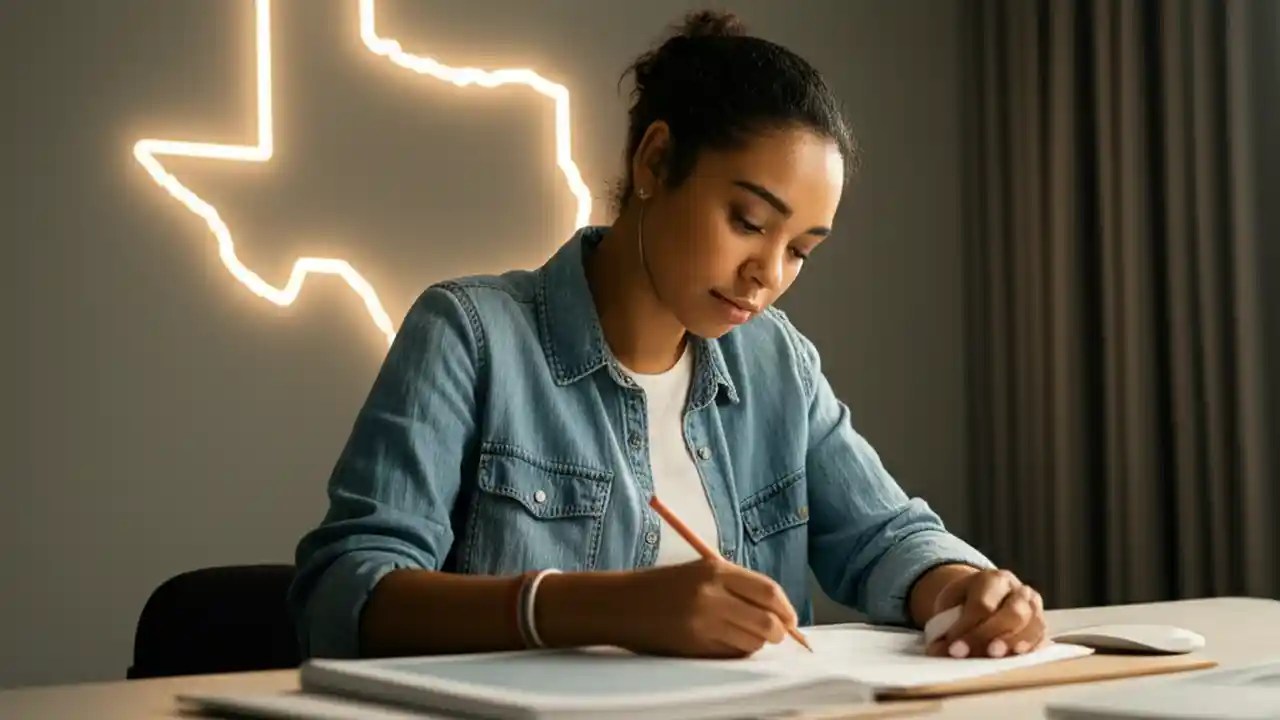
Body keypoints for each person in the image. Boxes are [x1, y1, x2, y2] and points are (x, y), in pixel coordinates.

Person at [289, 9, 1046, 663]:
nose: (768, 274)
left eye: (801, 250)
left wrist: (963, 588)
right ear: (655, 161)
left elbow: (886, 538)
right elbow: (345, 596)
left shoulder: (777, 362)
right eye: (749, 222)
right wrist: (607, 607)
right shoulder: (471, 335)